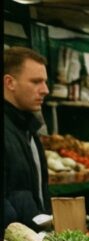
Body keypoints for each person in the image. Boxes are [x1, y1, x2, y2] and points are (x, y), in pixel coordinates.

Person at [3, 47, 52, 231]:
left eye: (45, 82)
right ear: (10, 82)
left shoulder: (28, 128)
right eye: (36, 82)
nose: (45, 90)